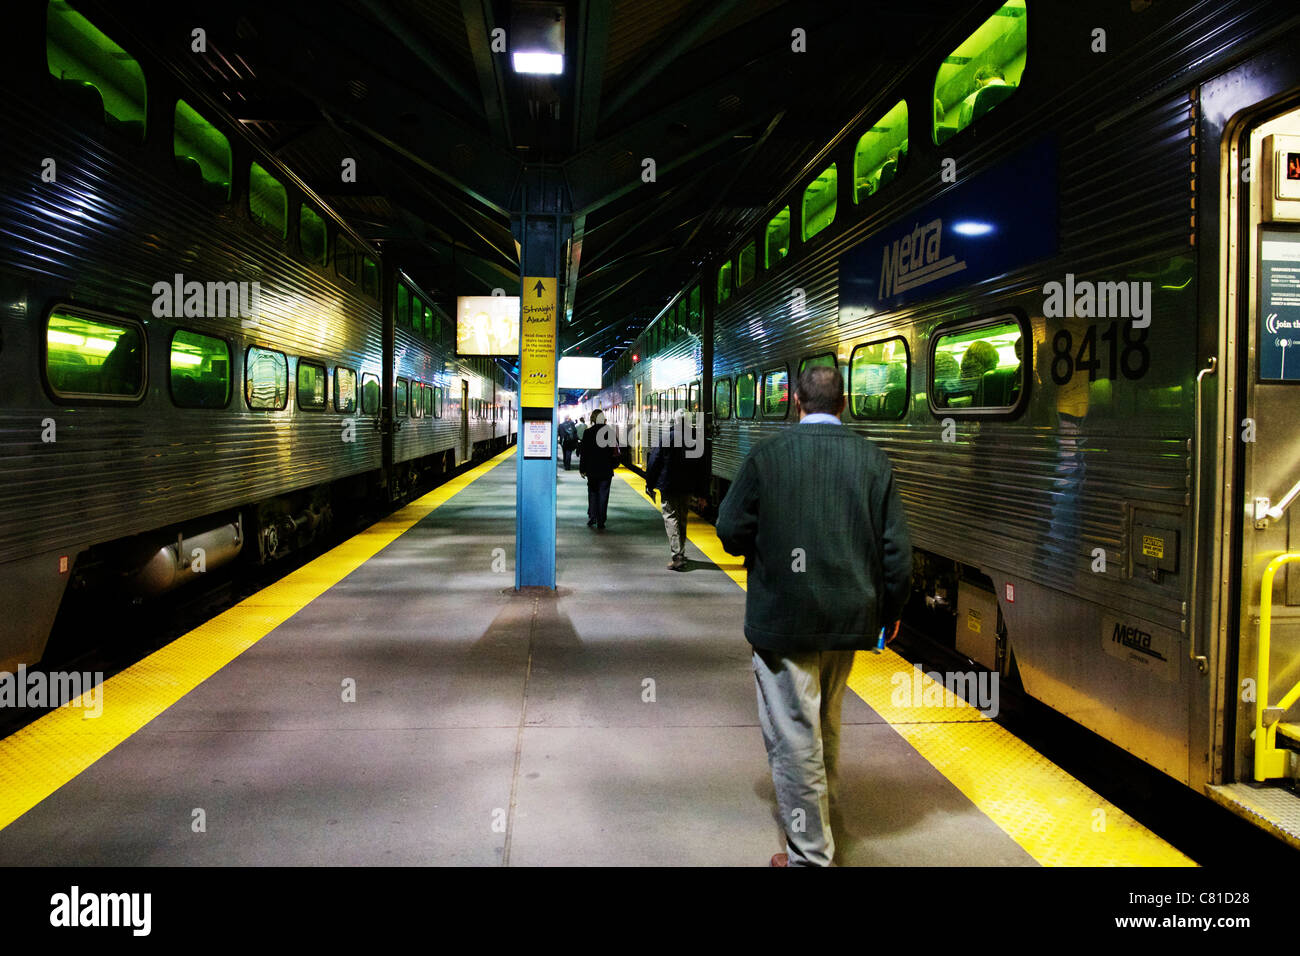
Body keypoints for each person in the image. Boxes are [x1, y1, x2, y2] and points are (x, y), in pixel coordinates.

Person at [716, 365, 912, 867]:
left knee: (794, 733)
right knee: (825, 721)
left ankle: (808, 856)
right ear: (842, 405)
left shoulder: (769, 455)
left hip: (785, 618)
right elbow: (896, 553)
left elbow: (729, 529)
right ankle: (820, 824)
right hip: (849, 619)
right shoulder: (872, 460)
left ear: (796, 403)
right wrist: (889, 613)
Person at [645, 410, 695, 571]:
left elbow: (654, 461)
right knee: (682, 518)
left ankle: (677, 555)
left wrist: (649, 483)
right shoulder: (695, 438)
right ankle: (681, 551)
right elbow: (700, 466)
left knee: (671, 518)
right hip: (686, 485)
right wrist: (701, 489)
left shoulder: (667, 437)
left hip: (669, 485)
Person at [579, 409, 618, 529]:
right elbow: (615, 452)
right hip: (606, 470)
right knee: (603, 495)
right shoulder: (610, 432)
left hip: (592, 470)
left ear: (593, 419)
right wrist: (612, 465)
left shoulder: (588, 432)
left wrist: (582, 469)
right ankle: (601, 520)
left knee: (592, 493)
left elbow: (584, 453)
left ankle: (592, 516)